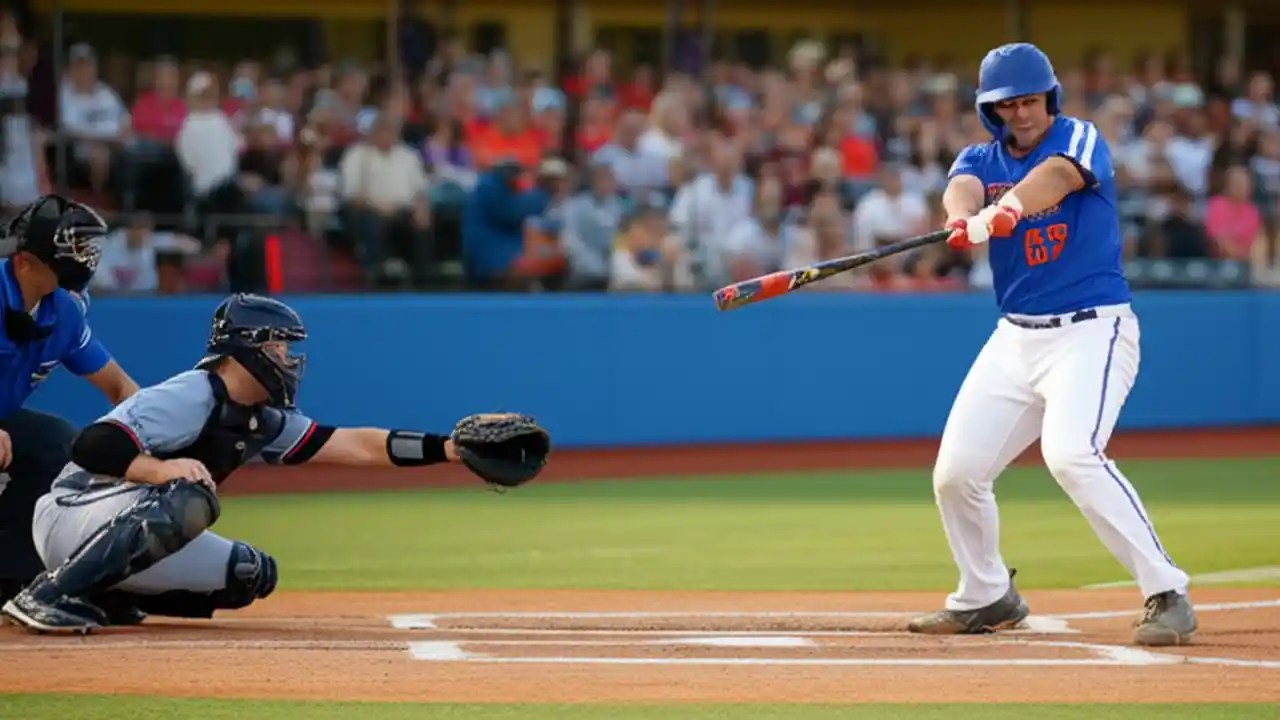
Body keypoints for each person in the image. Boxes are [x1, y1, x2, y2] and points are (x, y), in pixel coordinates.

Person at [1, 293, 549, 634]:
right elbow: (92, 445)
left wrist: (449, 450)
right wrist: (161, 469)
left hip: (119, 518)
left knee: (250, 574)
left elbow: (355, 445)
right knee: (192, 496)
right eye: (284, 346)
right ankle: (47, 594)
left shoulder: (262, 415)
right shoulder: (194, 392)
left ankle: (106, 593)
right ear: (252, 346)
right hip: (72, 512)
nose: (291, 358)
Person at [906, 43, 1196, 647]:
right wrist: (966, 218)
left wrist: (1006, 210)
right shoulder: (980, 157)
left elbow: (1058, 176)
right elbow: (960, 187)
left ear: (1049, 98)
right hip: (1015, 338)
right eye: (1007, 105)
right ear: (991, 109)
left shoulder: (1079, 138)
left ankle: (1166, 591)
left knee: (1071, 455)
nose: (1021, 114)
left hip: (1093, 331)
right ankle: (986, 595)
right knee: (956, 473)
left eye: (1030, 101)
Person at [0, 194, 138, 604]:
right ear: (23, 262)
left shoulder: (63, 310)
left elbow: (119, 387)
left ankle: (13, 578)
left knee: (57, 442)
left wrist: (158, 434)